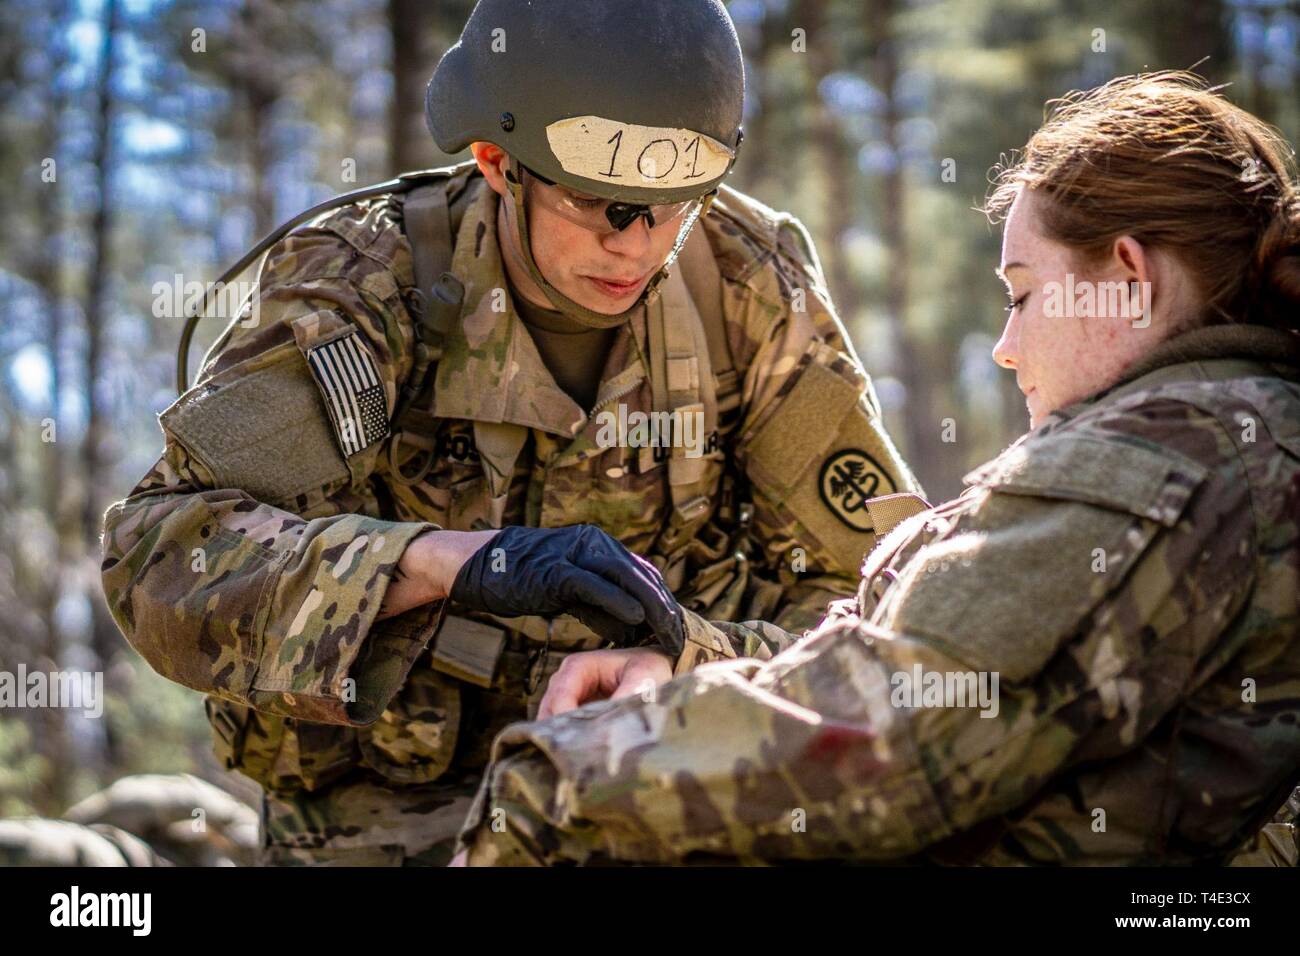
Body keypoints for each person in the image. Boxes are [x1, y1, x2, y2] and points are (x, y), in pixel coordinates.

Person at [99, 0, 916, 866]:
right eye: (600, 203)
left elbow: (883, 597)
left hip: (650, 777)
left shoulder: (748, 283)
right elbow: (158, 558)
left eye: (674, 203)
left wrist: (688, 659)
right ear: (498, 162)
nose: (636, 246)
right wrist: (443, 565)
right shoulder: (365, 283)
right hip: (387, 813)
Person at [450, 72, 1300, 866]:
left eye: (1021, 294)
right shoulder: (1247, 441)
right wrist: (684, 665)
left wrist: (560, 778)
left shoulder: (1159, 459)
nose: (1006, 349)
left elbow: (886, 733)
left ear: (1126, 278)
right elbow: (923, 666)